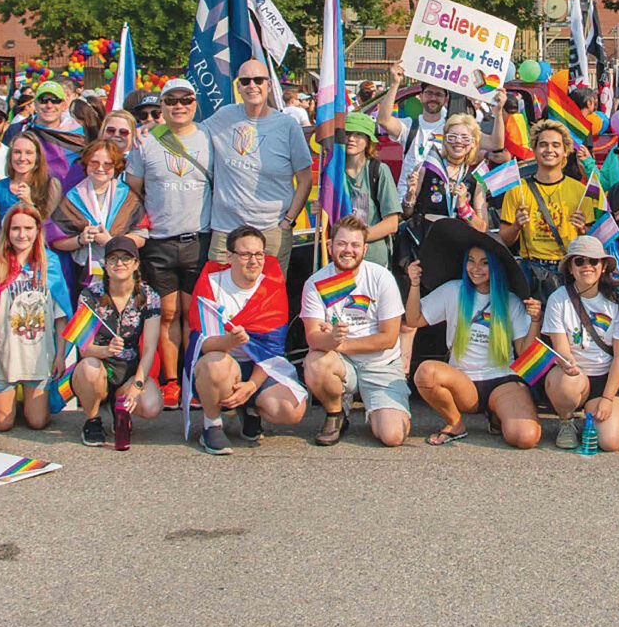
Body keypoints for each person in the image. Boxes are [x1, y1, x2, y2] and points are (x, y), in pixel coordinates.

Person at [404, 232, 544, 449]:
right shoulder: (453, 290)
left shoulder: (511, 300)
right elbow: (413, 319)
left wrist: (535, 321)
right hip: (463, 380)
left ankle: (497, 414)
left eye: (484, 263)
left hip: (502, 380)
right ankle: (455, 423)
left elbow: (524, 352)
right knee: (426, 373)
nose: (475, 268)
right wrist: (414, 285)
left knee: (525, 437)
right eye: (471, 261)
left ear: (496, 266)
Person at [127, 77, 212, 407]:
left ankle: (192, 377)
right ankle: (172, 381)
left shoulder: (208, 137)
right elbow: (134, 187)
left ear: (194, 103)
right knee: (166, 314)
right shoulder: (146, 142)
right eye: (171, 100)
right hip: (159, 240)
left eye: (186, 99)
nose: (179, 105)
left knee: (193, 314)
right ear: (162, 106)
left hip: (199, 236)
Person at [186, 226, 308, 454]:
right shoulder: (211, 284)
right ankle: (211, 424)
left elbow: (272, 350)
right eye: (245, 255)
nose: (254, 261)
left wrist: (251, 386)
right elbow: (201, 343)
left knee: (291, 409)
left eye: (259, 254)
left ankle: (250, 409)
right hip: (223, 363)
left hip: (260, 367)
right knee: (214, 363)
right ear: (229, 256)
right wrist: (228, 342)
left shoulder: (271, 287)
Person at [299, 216, 412, 447]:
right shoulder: (315, 282)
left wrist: (340, 343)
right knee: (315, 363)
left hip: (381, 364)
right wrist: (330, 340)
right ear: (330, 245)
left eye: (354, 245)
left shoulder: (381, 278)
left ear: (365, 248)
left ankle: (375, 405)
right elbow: (312, 337)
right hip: (341, 362)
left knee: (393, 436)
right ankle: (336, 413)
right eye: (341, 244)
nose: (347, 250)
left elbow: (389, 338)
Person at [202, 59, 312, 271]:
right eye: (245, 81)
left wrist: (288, 221)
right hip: (226, 230)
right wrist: (153, 128)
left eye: (258, 80)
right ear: (239, 87)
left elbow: (305, 179)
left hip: (272, 231)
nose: (252, 85)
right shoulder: (223, 117)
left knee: (269, 300)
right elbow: (191, 133)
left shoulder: (287, 125)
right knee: (220, 298)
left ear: (268, 85)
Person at [0, 202, 69, 433]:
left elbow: (61, 315)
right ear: (7, 231)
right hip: (2, 353)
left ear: (38, 230)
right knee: (1, 423)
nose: (22, 234)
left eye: (28, 228)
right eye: (16, 228)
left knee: (37, 422)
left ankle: (25, 399)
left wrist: (60, 355)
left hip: (38, 354)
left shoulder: (50, 263)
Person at [537, 234, 619, 452]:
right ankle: (566, 421)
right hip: (574, 375)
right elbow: (560, 347)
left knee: (610, 441)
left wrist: (608, 398)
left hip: (606, 378)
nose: (586, 266)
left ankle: (594, 415)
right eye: (579, 261)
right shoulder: (558, 298)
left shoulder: (617, 301)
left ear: (603, 267)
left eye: (593, 261)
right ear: (570, 268)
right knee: (568, 383)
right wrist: (567, 363)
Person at [70, 234, 165, 446]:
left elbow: (149, 348)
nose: (119, 263)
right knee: (89, 368)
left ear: (136, 264)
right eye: (113, 259)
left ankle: (118, 405)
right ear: (105, 264)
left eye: (126, 258)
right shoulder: (89, 295)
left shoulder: (149, 296)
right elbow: (83, 347)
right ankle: (92, 419)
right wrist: (105, 351)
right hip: (99, 366)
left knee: (151, 406)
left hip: (129, 370)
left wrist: (138, 385)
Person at [498, 119, 602, 298]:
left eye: (556, 145)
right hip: (531, 273)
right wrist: (516, 226)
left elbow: (593, 243)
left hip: (568, 270)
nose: (549, 150)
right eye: (543, 145)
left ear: (565, 152)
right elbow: (505, 240)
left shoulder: (580, 191)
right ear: (535, 150)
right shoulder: (517, 189)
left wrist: (583, 229)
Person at [50, 138, 143, 296]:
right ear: (86, 164)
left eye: (107, 164)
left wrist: (112, 243)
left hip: (123, 272)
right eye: (94, 163)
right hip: (84, 274)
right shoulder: (71, 198)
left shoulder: (128, 197)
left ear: (115, 167)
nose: (100, 168)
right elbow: (56, 241)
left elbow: (142, 236)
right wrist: (80, 239)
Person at [401, 114, 491, 247]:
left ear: (473, 143)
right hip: (426, 244)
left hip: (459, 247)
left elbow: (482, 228)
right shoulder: (427, 167)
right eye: (452, 137)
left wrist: (464, 206)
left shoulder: (476, 176)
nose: (458, 142)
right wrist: (409, 195)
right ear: (444, 140)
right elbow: (406, 214)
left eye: (465, 138)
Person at [378, 65, 454, 199]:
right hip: (405, 198)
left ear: (445, 99)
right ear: (421, 96)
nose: (433, 98)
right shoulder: (409, 126)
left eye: (439, 94)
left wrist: (499, 111)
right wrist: (395, 84)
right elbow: (384, 120)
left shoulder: (451, 128)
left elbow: (494, 144)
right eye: (429, 93)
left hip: (438, 198)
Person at [339, 113, 402, 266]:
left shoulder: (378, 170)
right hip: (341, 257)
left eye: (359, 134)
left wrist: (356, 239)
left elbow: (392, 223)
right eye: (348, 133)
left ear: (368, 141)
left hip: (373, 260)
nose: (351, 139)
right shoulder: (334, 173)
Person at [0, 133, 60, 249]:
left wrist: (29, 203)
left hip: (37, 256)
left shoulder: (51, 185)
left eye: (28, 153)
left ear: (37, 157)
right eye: (17, 152)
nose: (22, 158)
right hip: (5, 256)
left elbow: (48, 230)